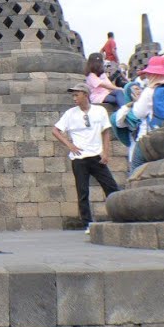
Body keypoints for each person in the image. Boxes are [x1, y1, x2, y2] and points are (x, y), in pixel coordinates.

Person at [51, 85, 118, 232]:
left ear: (85, 95)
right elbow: (55, 130)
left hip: (96, 156)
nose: (74, 98)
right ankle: (87, 223)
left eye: (77, 95)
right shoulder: (70, 114)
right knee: (82, 191)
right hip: (79, 158)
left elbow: (106, 132)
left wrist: (106, 152)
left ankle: (118, 215)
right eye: (73, 96)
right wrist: (70, 145)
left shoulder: (99, 111)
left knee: (111, 187)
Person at [117, 56, 164, 172]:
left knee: (135, 170)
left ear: (153, 75)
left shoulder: (150, 91)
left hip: (150, 139)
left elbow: (137, 113)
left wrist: (134, 103)